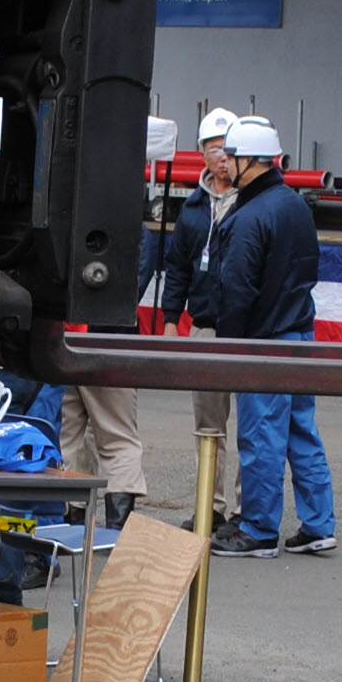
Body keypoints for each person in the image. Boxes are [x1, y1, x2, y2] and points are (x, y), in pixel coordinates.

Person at [194, 116, 336, 556]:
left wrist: (232, 344)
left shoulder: (248, 215)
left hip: (261, 338)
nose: (226, 163)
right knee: (301, 430)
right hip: (299, 331)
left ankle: (257, 529)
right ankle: (318, 523)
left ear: (248, 161)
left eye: (232, 156)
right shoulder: (294, 205)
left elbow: (236, 288)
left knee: (260, 437)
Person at [151, 108, 243, 537]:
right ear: (202, 156)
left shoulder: (253, 200)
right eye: (213, 150)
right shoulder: (191, 209)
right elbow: (177, 267)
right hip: (204, 324)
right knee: (209, 425)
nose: (221, 158)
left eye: (227, 150)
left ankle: (248, 509)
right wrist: (172, 320)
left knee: (255, 429)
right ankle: (212, 505)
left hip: (248, 328)